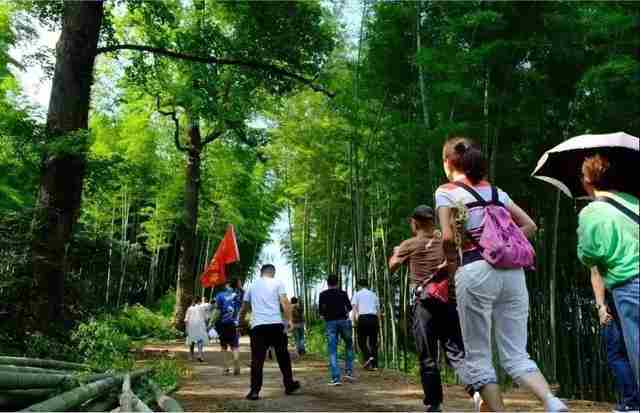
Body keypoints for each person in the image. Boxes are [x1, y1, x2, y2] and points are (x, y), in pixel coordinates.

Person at [436, 136, 567, 412]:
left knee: (479, 355)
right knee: (516, 354)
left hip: (474, 269)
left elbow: (447, 239)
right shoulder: (497, 193)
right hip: (512, 274)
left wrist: (451, 268)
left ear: (449, 163)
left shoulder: (446, 191)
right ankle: (551, 402)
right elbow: (530, 225)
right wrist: (501, 245)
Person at [388, 204, 471, 411]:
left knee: (427, 355)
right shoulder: (446, 241)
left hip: (424, 304)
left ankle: (434, 404)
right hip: (448, 302)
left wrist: (397, 252)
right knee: (456, 353)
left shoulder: (409, 244)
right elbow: (457, 262)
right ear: (433, 221)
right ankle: (477, 391)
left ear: (414, 222)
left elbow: (392, 266)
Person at [578, 154, 639, 396]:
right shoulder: (634, 201)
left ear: (589, 180)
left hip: (629, 285)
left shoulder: (592, 212)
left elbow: (588, 255)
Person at [238, 264, 300, 400]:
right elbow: (285, 302)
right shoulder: (278, 282)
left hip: (258, 327)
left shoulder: (251, 286)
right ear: (273, 272)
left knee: (257, 359)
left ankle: (254, 391)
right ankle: (289, 384)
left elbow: (244, 307)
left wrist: (240, 322)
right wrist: (289, 320)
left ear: (261, 273)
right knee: (283, 356)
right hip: (276, 325)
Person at [592, 268, 640, 412]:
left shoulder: (602, 246)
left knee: (618, 352)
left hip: (617, 293)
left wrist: (601, 306)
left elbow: (596, 272)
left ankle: (632, 402)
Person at [319, 275, 354, 386]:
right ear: (337, 283)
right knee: (349, 345)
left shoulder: (323, 294)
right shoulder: (343, 293)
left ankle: (336, 378)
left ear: (328, 283)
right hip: (343, 321)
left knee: (332, 350)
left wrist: (325, 315)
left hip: (330, 323)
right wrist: (344, 312)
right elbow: (349, 307)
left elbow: (320, 310)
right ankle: (349, 372)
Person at [214, 279, 243, 376]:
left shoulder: (220, 295)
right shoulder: (239, 294)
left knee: (224, 346)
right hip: (235, 323)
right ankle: (237, 366)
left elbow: (217, 311)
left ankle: (226, 368)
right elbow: (243, 307)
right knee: (235, 346)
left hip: (223, 323)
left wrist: (211, 323)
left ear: (227, 284)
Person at [351, 279, 380, 370]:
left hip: (363, 318)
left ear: (359, 285)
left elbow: (354, 309)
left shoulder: (357, 294)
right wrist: (378, 322)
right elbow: (378, 311)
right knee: (373, 342)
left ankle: (368, 359)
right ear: (367, 285)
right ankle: (374, 364)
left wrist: (354, 321)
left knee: (361, 341)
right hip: (373, 318)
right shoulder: (374, 294)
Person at [185, 298, 209, 362]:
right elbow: (206, 318)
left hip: (192, 325)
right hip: (201, 325)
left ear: (193, 302)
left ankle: (191, 356)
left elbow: (186, 320)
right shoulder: (202, 308)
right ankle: (200, 355)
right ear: (199, 302)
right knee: (200, 340)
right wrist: (207, 326)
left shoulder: (189, 308)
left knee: (191, 341)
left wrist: (186, 328)